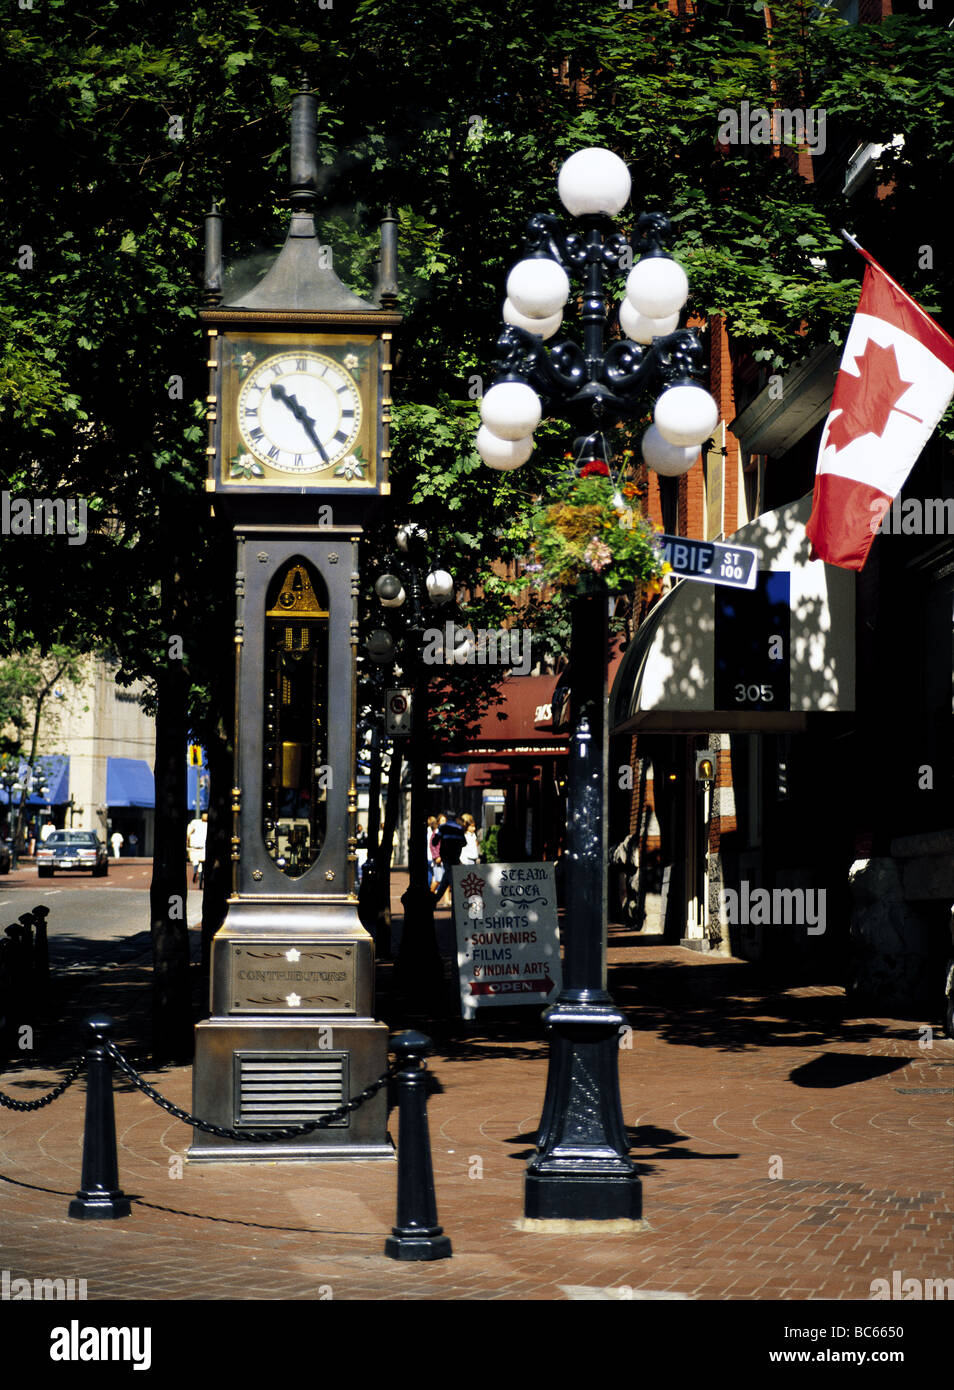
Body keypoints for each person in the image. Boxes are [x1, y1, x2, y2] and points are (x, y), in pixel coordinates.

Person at [433, 810, 466, 905]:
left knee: (448, 875)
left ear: (446, 818)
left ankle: (438, 898)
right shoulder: (459, 828)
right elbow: (464, 843)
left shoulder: (443, 827)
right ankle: (438, 898)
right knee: (449, 875)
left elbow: (435, 841)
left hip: (446, 855)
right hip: (455, 855)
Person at [187, 813, 207, 885]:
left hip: (195, 845)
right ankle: (202, 874)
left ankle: (195, 872)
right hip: (204, 846)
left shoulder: (195, 822)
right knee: (203, 861)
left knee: (195, 861)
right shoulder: (208, 825)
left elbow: (189, 833)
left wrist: (188, 841)